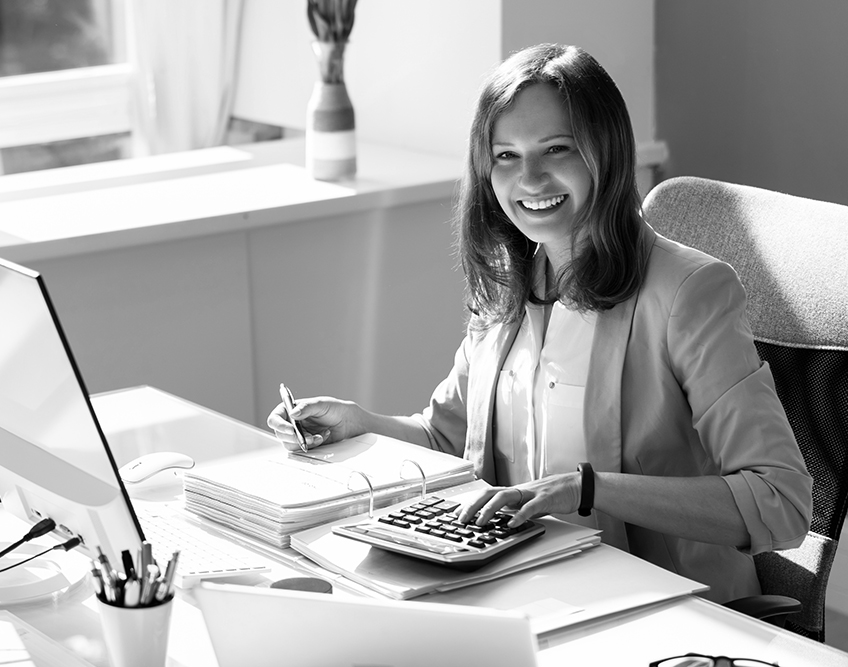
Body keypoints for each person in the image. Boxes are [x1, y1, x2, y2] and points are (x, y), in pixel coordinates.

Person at [267, 43, 812, 603]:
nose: (529, 178)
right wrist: (363, 423)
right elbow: (449, 439)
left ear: (607, 151)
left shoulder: (688, 292)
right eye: (505, 155)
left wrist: (585, 490)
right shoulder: (506, 284)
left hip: (662, 611)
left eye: (556, 149)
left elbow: (781, 500)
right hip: (521, 588)